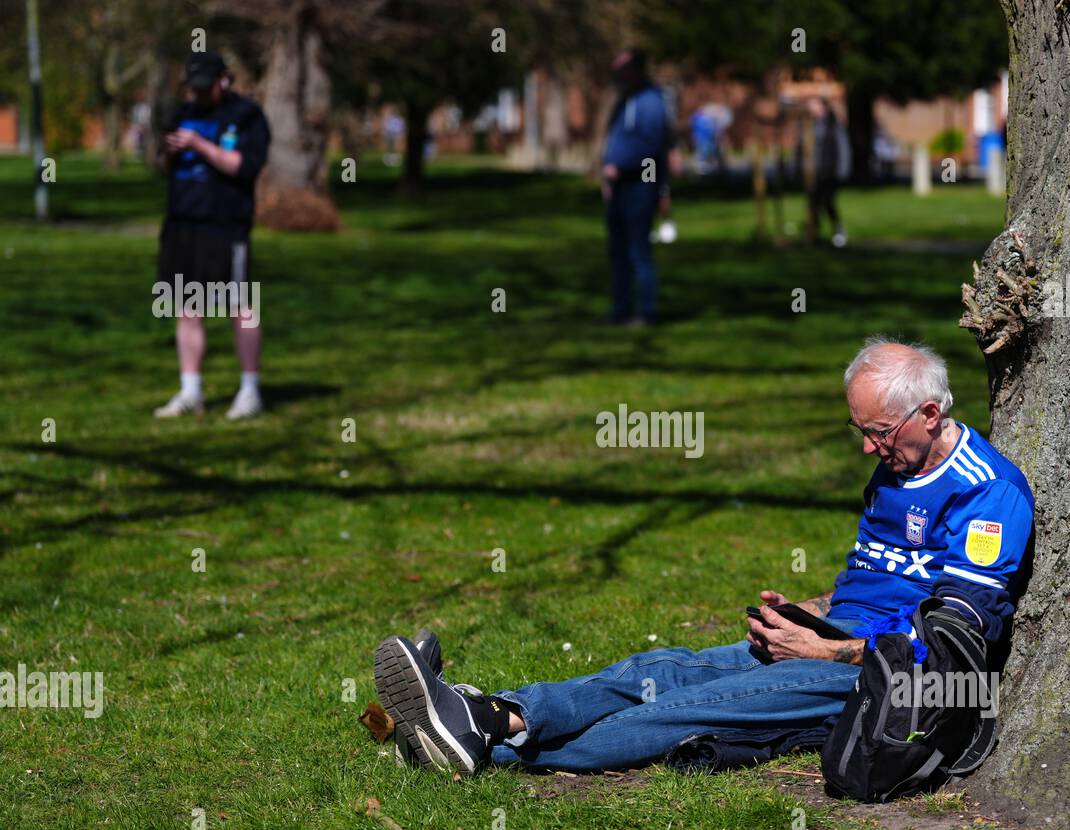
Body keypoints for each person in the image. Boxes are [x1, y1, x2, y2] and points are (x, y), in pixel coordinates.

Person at [373, 339, 1035, 775]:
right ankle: (486, 716)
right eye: (858, 431)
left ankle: (483, 745)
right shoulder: (898, 462)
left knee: (682, 710)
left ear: (929, 411)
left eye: (878, 433)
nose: (867, 449)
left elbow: (955, 646)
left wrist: (829, 653)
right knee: (656, 670)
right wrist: (807, 614)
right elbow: (885, 579)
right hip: (832, 640)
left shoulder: (988, 491)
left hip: (877, 677)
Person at [153, 51, 270, 420]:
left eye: (205, 87)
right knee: (187, 308)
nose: (199, 95)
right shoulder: (182, 114)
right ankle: (191, 391)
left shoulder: (246, 116)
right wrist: (169, 154)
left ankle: (250, 391)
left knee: (240, 307)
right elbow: (162, 167)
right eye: (193, 89)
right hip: (182, 225)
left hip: (225, 225)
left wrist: (199, 146)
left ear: (224, 80)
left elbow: (245, 167)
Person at [600, 49, 673, 327]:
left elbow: (651, 144)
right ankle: (620, 309)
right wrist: (608, 174)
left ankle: (646, 311)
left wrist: (622, 166)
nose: (617, 74)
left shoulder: (650, 101)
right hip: (619, 186)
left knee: (638, 250)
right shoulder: (624, 101)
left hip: (640, 184)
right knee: (618, 251)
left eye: (622, 69)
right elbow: (615, 141)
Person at [796, 97, 852, 247]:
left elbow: (843, 148)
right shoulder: (807, 124)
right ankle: (814, 234)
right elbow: (801, 148)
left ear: (822, 106)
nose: (810, 107)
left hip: (829, 171)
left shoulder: (833, 124)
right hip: (812, 172)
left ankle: (838, 229)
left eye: (813, 104)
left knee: (828, 202)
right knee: (813, 204)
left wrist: (842, 170)